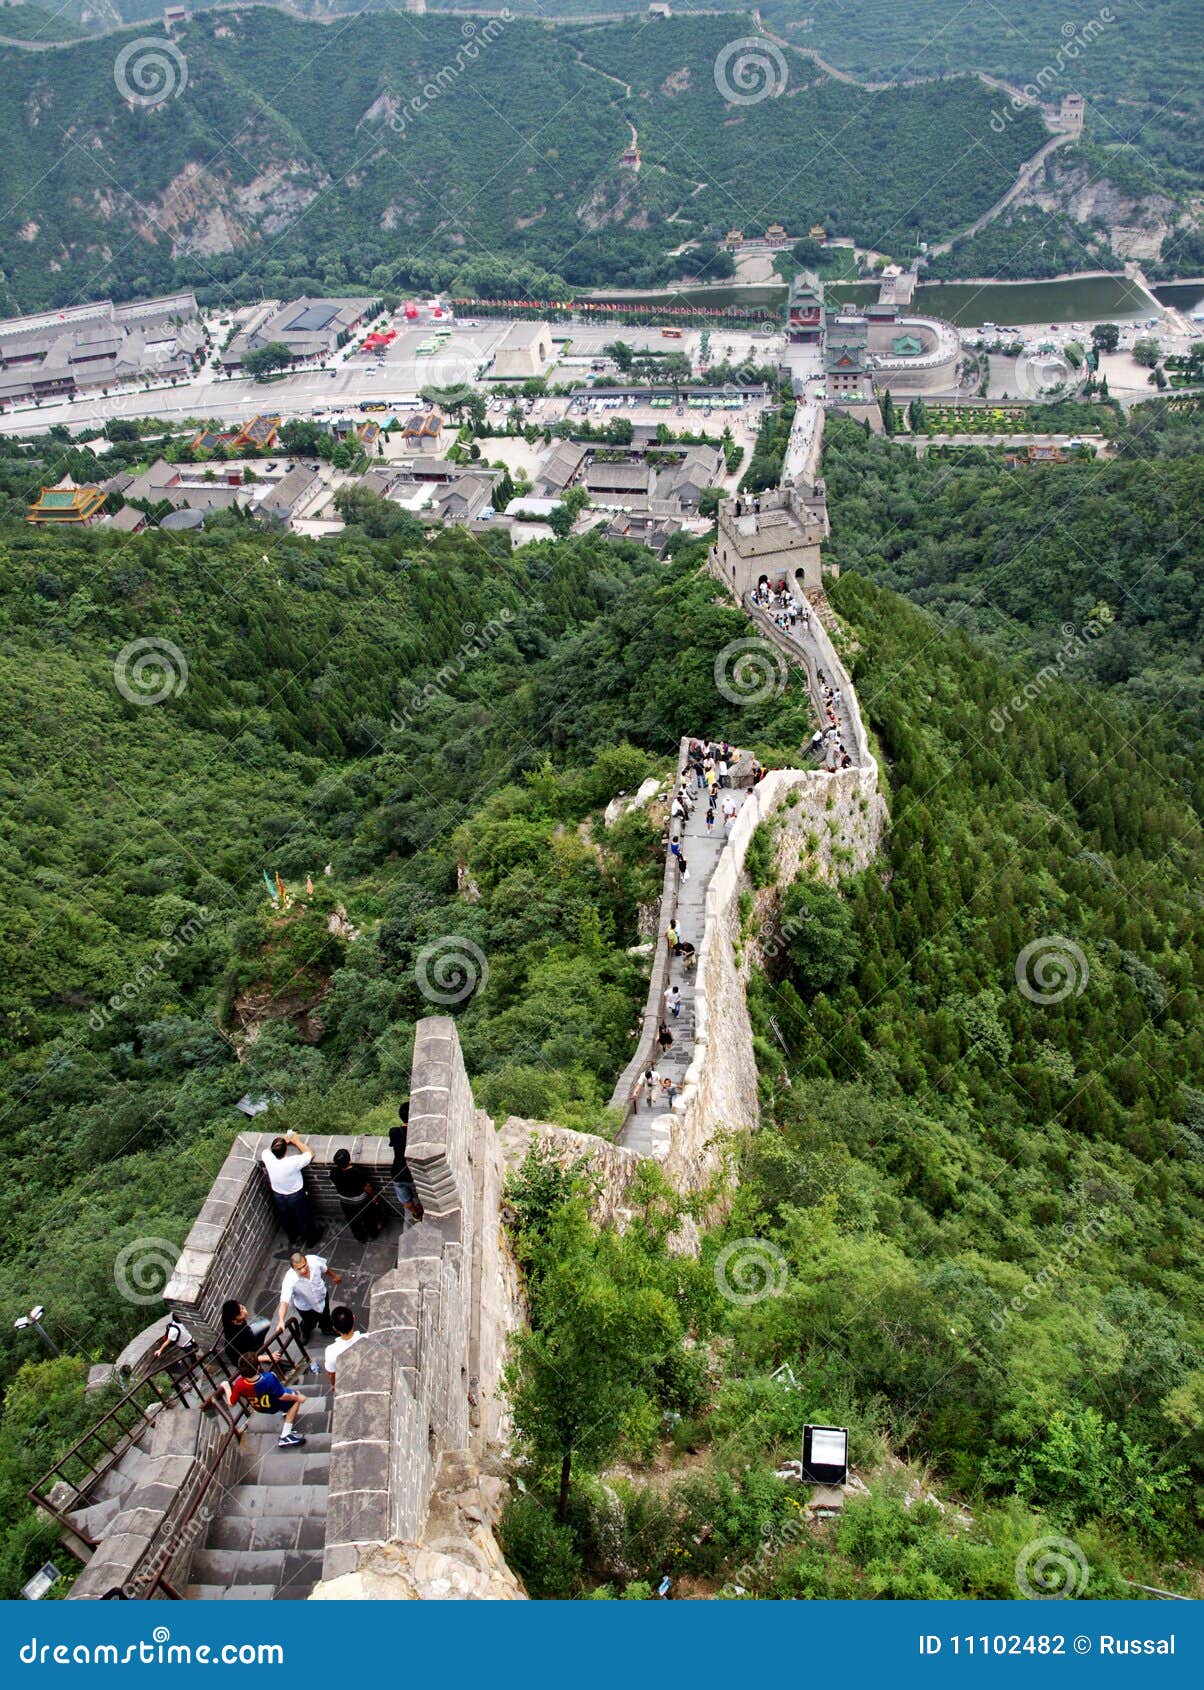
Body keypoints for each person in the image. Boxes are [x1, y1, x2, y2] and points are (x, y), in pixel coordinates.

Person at [223, 1357, 306, 1450]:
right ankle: (285, 1435)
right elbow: (281, 1396)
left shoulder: (239, 1384)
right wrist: (298, 1397)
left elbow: (231, 1403)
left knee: (288, 1393)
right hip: (273, 1404)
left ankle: (286, 1410)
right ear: (258, 1367)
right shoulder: (269, 1377)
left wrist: (226, 1387)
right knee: (294, 1397)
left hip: (259, 1407)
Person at [261, 1132, 320, 1247]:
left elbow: (267, 1150)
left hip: (278, 1194)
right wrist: (296, 1141)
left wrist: (282, 1141)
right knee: (303, 1217)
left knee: (286, 1218)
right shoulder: (292, 1162)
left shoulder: (267, 1157)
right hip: (295, 1195)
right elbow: (310, 1154)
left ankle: (293, 1237)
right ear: (286, 1150)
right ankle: (310, 1240)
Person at [275, 1251, 341, 1344]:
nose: (303, 1270)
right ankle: (305, 1332)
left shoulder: (314, 1261)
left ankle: (326, 1328)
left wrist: (334, 1276)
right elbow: (284, 1301)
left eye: (304, 1266)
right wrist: (281, 1320)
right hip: (306, 1307)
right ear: (293, 1268)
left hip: (322, 1296)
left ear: (306, 1261)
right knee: (309, 1323)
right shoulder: (290, 1279)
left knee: (325, 1316)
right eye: (299, 1269)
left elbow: (325, 1269)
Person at [329, 1148, 383, 1243]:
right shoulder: (357, 1171)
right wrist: (373, 1196)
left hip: (345, 1201)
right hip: (360, 1200)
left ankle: (360, 1237)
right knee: (368, 1218)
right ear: (349, 1159)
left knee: (353, 1220)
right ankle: (373, 1233)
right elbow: (367, 1187)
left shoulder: (333, 1172)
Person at [221, 1300, 276, 1371]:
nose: (244, 1310)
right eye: (240, 1312)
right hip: (242, 1358)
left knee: (266, 1324)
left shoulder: (236, 1322)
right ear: (234, 1321)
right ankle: (258, 1356)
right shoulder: (236, 1338)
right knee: (252, 1362)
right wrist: (267, 1357)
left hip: (249, 1339)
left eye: (242, 1307)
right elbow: (245, 1359)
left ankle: (259, 1349)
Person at [389, 1105, 422, 1222]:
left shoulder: (394, 1132)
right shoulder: (419, 1134)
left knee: (405, 1200)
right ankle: (423, 1208)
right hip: (416, 1173)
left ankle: (416, 1213)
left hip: (398, 1172)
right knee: (423, 1193)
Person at [324, 1306, 364, 1394]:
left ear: (335, 1328)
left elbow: (331, 1373)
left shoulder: (330, 1351)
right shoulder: (368, 1337)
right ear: (353, 1318)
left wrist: (333, 1385)